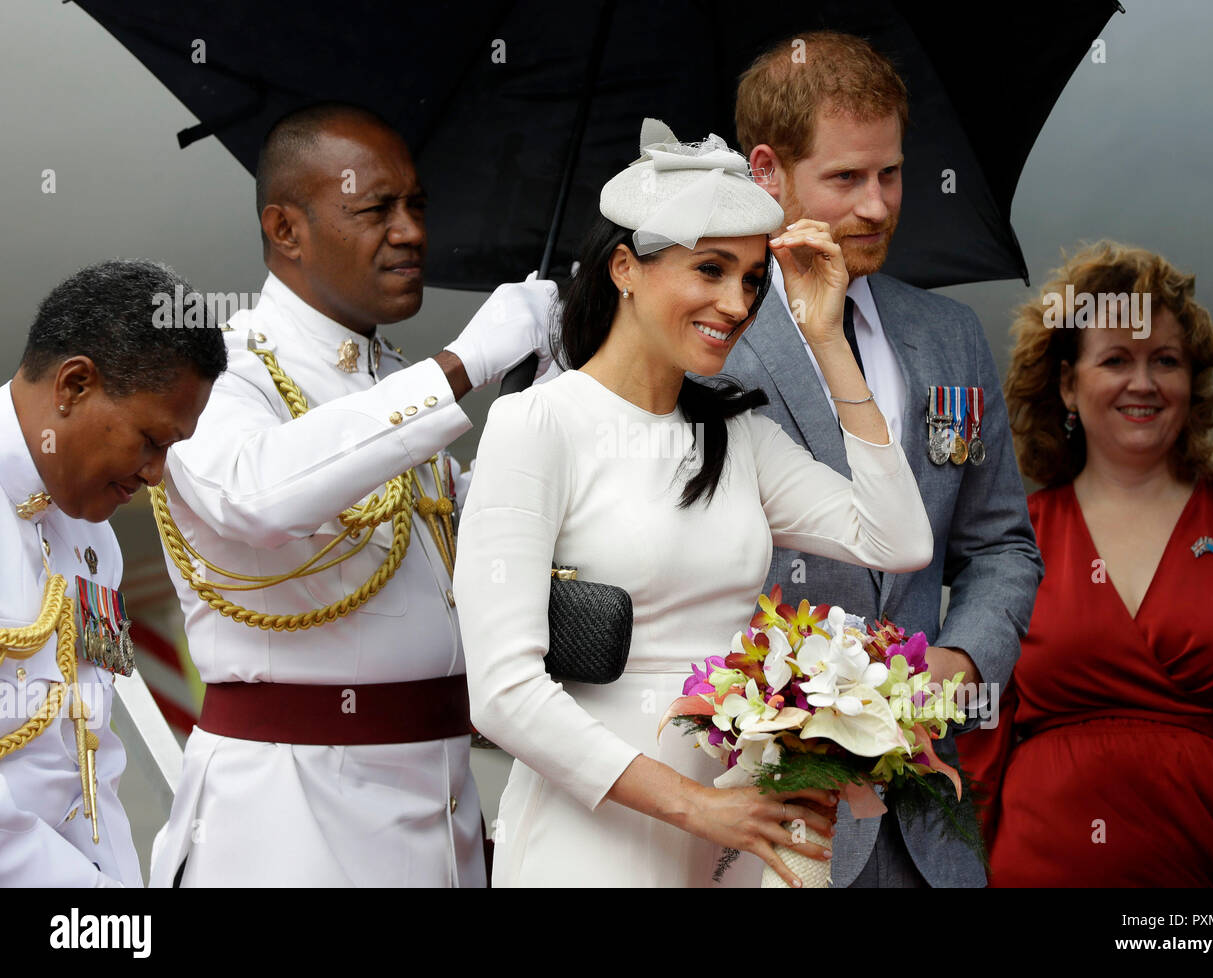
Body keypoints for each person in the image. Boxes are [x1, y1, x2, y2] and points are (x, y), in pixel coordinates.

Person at [453, 119, 934, 887]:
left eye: (749, 278)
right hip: (596, 833)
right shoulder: (538, 423)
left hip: (730, 831)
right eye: (710, 270)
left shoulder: (735, 434)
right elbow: (503, 695)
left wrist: (829, 338)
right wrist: (694, 807)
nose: (737, 302)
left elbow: (899, 537)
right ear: (624, 269)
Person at [147, 103, 554, 887]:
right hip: (291, 817)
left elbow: (481, 544)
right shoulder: (219, 368)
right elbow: (258, 496)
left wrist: (556, 399)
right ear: (285, 229)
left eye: (417, 207)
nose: (409, 232)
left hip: (441, 800)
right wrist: (464, 363)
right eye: (376, 210)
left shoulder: (388, 379)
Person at [719, 31, 1042, 887]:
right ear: (767, 171)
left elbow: (1002, 544)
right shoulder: (711, 345)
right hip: (766, 812)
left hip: (929, 822)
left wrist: (964, 657)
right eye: (845, 179)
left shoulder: (950, 336)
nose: (876, 206)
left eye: (890, 174)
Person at [957, 241, 1213, 886]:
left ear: (1191, 379)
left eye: (1164, 360)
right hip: (1041, 868)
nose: (1142, 383)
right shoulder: (1013, 537)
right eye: (1116, 359)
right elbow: (978, 739)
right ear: (1066, 382)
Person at [1, 259, 225, 886]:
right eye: (150, 440)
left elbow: (90, 764)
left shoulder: (93, 537)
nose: (155, 473)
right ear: (73, 385)